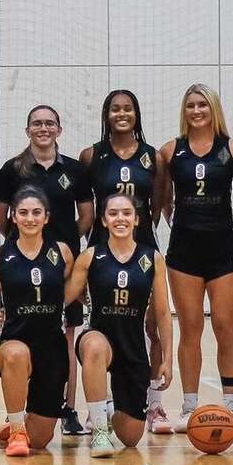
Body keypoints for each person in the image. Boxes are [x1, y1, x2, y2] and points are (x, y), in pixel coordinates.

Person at [0, 104, 93, 435]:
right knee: (23, 333)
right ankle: (19, 414)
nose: (43, 128)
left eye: (50, 123)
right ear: (27, 130)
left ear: (59, 130)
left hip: (62, 265)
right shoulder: (12, 170)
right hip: (23, 268)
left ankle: (68, 409)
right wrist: (25, 249)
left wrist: (61, 245)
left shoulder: (76, 171)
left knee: (64, 334)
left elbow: (87, 216)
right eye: (37, 123)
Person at [80, 90, 170, 434]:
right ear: (106, 114)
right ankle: (98, 406)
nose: (121, 113)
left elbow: (159, 202)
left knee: (149, 323)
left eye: (128, 108)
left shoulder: (154, 157)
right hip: (103, 245)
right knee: (103, 320)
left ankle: (155, 403)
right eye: (115, 109)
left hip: (141, 242)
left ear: (137, 114)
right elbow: (87, 205)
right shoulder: (92, 156)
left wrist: (137, 233)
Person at [156, 85, 233, 431]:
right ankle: (189, 405)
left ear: (213, 108)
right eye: (191, 105)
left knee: (225, 326)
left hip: (224, 249)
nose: (196, 110)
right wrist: (185, 225)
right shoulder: (170, 151)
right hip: (184, 251)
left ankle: (232, 405)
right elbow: (164, 201)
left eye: (203, 104)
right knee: (190, 329)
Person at [64, 194, 173, 457]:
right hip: (99, 337)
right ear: (103, 220)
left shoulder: (152, 258)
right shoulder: (90, 257)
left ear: (137, 219)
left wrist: (168, 359)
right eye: (113, 214)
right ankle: (100, 430)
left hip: (133, 347)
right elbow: (65, 298)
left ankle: (109, 409)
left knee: (131, 437)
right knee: (94, 345)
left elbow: (162, 313)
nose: (120, 218)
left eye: (126, 213)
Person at [0, 187, 73, 456]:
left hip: (51, 346)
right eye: (23, 212)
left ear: (46, 217)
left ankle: (22, 427)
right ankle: (15, 430)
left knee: (40, 440)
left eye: (36, 212)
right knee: (17, 352)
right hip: (13, 340)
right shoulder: (0, 254)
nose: (30, 218)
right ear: (13, 217)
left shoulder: (61, 252)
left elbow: (69, 292)